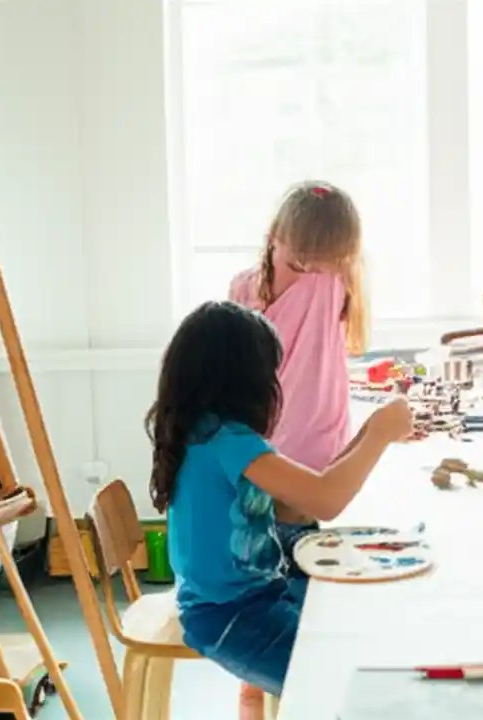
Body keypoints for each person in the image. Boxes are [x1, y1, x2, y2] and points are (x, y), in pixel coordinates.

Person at [146, 301, 411, 705]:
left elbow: (303, 502)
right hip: (231, 615)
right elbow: (325, 501)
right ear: (244, 381)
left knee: (357, 622)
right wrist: (379, 433)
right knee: (348, 688)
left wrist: (367, 435)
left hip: (246, 596)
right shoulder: (227, 440)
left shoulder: (205, 431)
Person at [228, 180, 367, 542]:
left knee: (303, 541)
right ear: (272, 238)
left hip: (315, 448)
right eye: (296, 263)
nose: (307, 273)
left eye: (321, 265)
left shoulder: (329, 285)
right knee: (262, 542)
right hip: (259, 449)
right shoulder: (242, 290)